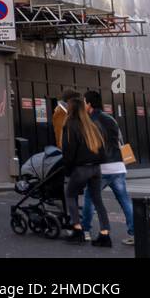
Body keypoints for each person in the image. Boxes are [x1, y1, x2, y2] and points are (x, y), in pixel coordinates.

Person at [80, 91, 134, 245]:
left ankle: (85, 231)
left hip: (102, 168)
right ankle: (135, 233)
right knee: (124, 200)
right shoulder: (111, 119)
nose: (83, 105)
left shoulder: (89, 122)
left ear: (89, 104)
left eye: (84, 102)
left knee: (89, 198)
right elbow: (120, 141)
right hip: (118, 166)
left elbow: (89, 147)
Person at [60, 95, 111, 247]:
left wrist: (68, 170)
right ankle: (105, 234)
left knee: (70, 194)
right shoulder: (93, 124)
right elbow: (103, 147)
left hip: (80, 168)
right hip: (96, 168)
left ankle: (77, 230)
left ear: (70, 109)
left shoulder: (70, 124)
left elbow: (68, 151)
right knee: (97, 199)